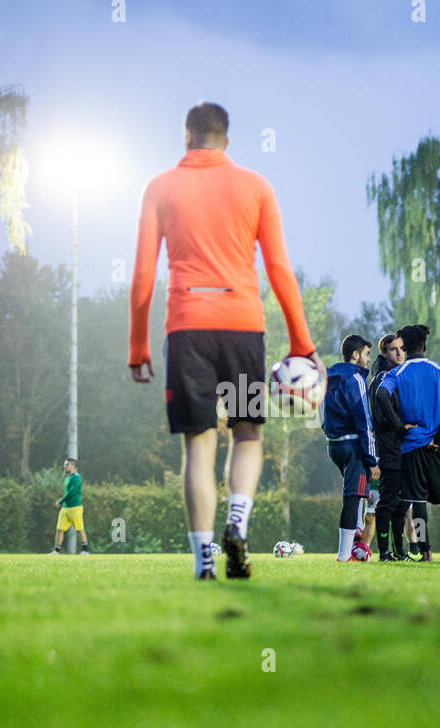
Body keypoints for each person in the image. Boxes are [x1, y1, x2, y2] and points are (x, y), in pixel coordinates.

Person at [128, 102, 323, 580]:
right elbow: (278, 269)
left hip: (188, 326)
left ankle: (204, 562)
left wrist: (138, 345)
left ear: (186, 136)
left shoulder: (159, 186)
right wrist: (303, 343)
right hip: (242, 327)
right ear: (227, 139)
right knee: (248, 432)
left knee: (199, 444)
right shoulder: (256, 186)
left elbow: (141, 276)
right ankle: (239, 524)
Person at [374, 324, 440, 562]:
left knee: (418, 505)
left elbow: (381, 395)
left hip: (410, 447)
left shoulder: (395, 374)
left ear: (405, 347)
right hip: (439, 446)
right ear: (425, 346)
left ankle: (426, 553)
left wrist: (398, 426)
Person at [322, 334, 380, 562]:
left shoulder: (328, 376)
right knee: (353, 497)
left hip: (333, 444)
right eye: (366, 354)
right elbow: (364, 422)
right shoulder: (356, 379)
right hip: (352, 445)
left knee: (357, 491)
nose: (368, 358)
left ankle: (357, 538)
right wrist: (372, 459)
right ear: (355, 355)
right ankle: (345, 555)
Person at [367, 332, 413, 560]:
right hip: (390, 447)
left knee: (402, 502)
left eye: (402, 348)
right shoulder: (382, 380)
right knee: (387, 501)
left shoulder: (394, 377)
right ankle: (384, 552)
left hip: (401, 447)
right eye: (394, 349)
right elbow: (384, 416)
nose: (399, 352)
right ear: (383, 353)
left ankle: (399, 551)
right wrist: (401, 426)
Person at [51, 458, 90, 554]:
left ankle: (85, 550)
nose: (65, 466)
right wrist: (63, 502)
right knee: (59, 529)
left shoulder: (76, 478)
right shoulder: (67, 478)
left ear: (73, 466)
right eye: (65, 464)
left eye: (67, 464)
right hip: (65, 508)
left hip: (75, 507)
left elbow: (71, 492)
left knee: (80, 529)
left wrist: (61, 500)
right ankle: (56, 551)